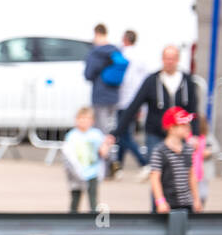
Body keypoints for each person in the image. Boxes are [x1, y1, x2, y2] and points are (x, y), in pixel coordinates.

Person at [113, 45, 202, 163]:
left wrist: (195, 134)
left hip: (179, 135)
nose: (169, 62)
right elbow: (134, 106)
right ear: (162, 59)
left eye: (172, 58)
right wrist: (116, 133)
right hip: (155, 134)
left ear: (177, 60)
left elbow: (193, 109)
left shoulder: (187, 81)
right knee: (156, 170)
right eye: (166, 58)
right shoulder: (152, 80)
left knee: (177, 172)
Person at [149, 107, 201, 235]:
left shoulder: (188, 150)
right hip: (168, 203)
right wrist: (160, 201)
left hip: (186, 202)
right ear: (171, 127)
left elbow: (191, 175)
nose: (188, 127)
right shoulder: (160, 151)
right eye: (183, 124)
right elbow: (155, 177)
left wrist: (196, 199)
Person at [111, 29, 150, 177]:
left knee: (124, 135)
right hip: (136, 100)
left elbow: (123, 80)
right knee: (124, 133)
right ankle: (118, 167)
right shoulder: (141, 57)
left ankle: (144, 162)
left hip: (123, 100)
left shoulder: (122, 55)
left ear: (125, 39)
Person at [62, 106, 107, 212]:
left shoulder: (96, 134)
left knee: (93, 197)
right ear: (76, 120)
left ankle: (94, 216)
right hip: (76, 172)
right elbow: (68, 153)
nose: (84, 122)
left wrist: (105, 149)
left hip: (92, 171)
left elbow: (103, 149)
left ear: (92, 121)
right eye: (81, 119)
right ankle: (72, 216)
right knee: (75, 197)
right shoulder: (72, 136)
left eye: (86, 119)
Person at [83, 24, 122, 139]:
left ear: (96, 33)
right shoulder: (116, 50)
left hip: (100, 95)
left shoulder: (96, 52)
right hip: (114, 95)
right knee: (111, 127)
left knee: (100, 129)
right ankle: (111, 151)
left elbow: (88, 74)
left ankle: (104, 155)